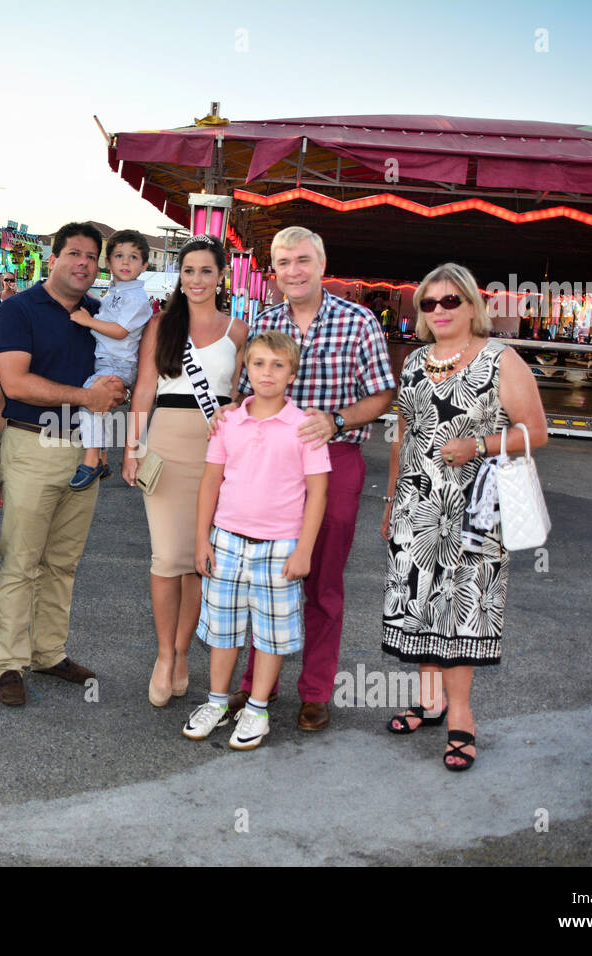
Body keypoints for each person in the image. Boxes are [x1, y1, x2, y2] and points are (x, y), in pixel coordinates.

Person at [223, 226, 396, 732]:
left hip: (335, 457)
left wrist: (337, 420)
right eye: (284, 262)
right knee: (265, 576)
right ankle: (260, 685)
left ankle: (316, 690)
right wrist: (227, 415)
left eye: (303, 260)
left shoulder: (358, 321)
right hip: (269, 465)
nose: (293, 271)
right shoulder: (265, 320)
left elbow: (383, 394)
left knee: (322, 581)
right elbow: (244, 391)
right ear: (273, 269)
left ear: (321, 265)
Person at [381, 262, 547, 771]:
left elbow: (536, 433)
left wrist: (479, 444)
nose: (439, 311)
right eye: (428, 303)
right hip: (416, 506)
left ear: (472, 305)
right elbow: (403, 437)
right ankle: (430, 701)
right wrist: (390, 503)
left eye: (450, 301)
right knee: (421, 608)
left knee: (461, 614)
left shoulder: (501, 360)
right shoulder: (414, 362)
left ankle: (462, 719)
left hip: (476, 511)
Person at [0, 221, 126, 706]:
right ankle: (9, 663)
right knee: (21, 561)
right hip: (32, 445)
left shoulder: (100, 314)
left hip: (83, 450)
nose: (83, 263)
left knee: (62, 563)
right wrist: (88, 398)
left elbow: (116, 379)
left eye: (92, 256)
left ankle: (48, 652)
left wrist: (114, 394)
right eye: (74, 253)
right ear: (54, 257)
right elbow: (17, 383)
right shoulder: (18, 309)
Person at [184, 332, 329, 748]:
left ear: (292, 374)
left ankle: (258, 709)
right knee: (223, 629)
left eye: (278, 365)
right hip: (226, 540)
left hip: (281, 547)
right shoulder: (228, 421)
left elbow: (317, 493)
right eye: (259, 363)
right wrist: (201, 539)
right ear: (245, 368)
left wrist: (304, 549)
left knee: (271, 634)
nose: (267, 372)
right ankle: (216, 702)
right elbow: (211, 481)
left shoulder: (304, 427)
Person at [122, 234, 246, 706]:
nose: (196, 279)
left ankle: (181, 652)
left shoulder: (238, 330)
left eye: (205, 271)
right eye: (188, 270)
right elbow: (144, 392)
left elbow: (237, 398)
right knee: (166, 558)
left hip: (217, 452)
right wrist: (132, 449)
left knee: (199, 562)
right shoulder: (162, 326)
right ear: (181, 276)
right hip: (168, 444)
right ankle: (162, 655)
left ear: (221, 276)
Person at [69, 228, 153, 489]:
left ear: (145, 265)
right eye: (119, 256)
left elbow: (120, 331)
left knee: (90, 398)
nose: (126, 262)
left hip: (118, 363)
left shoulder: (137, 298)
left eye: (133, 257)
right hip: (108, 361)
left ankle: (92, 460)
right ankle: (103, 458)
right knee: (100, 409)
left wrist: (87, 320)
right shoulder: (117, 292)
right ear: (108, 263)